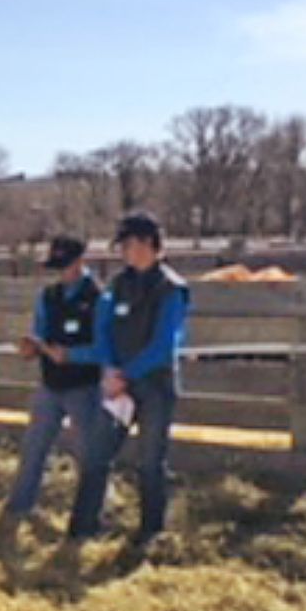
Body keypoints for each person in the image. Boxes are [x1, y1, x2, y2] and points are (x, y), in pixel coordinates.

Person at [68, 211, 190, 545]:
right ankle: (82, 527)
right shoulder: (118, 285)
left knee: (150, 461)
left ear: (149, 244)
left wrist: (127, 374)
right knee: (96, 455)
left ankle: (150, 531)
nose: (124, 251)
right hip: (117, 384)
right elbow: (102, 329)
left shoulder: (172, 289)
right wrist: (109, 369)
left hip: (154, 385)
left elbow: (164, 343)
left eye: (129, 244)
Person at [1, 235, 102, 527]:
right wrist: (31, 348)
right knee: (33, 447)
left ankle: (91, 516)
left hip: (85, 385)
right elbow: (39, 331)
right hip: (51, 383)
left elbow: (106, 346)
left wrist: (72, 355)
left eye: (66, 265)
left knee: (88, 454)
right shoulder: (48, 296)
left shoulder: (98, 297)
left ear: (81, 261)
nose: (61, 272)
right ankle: (18, 507)